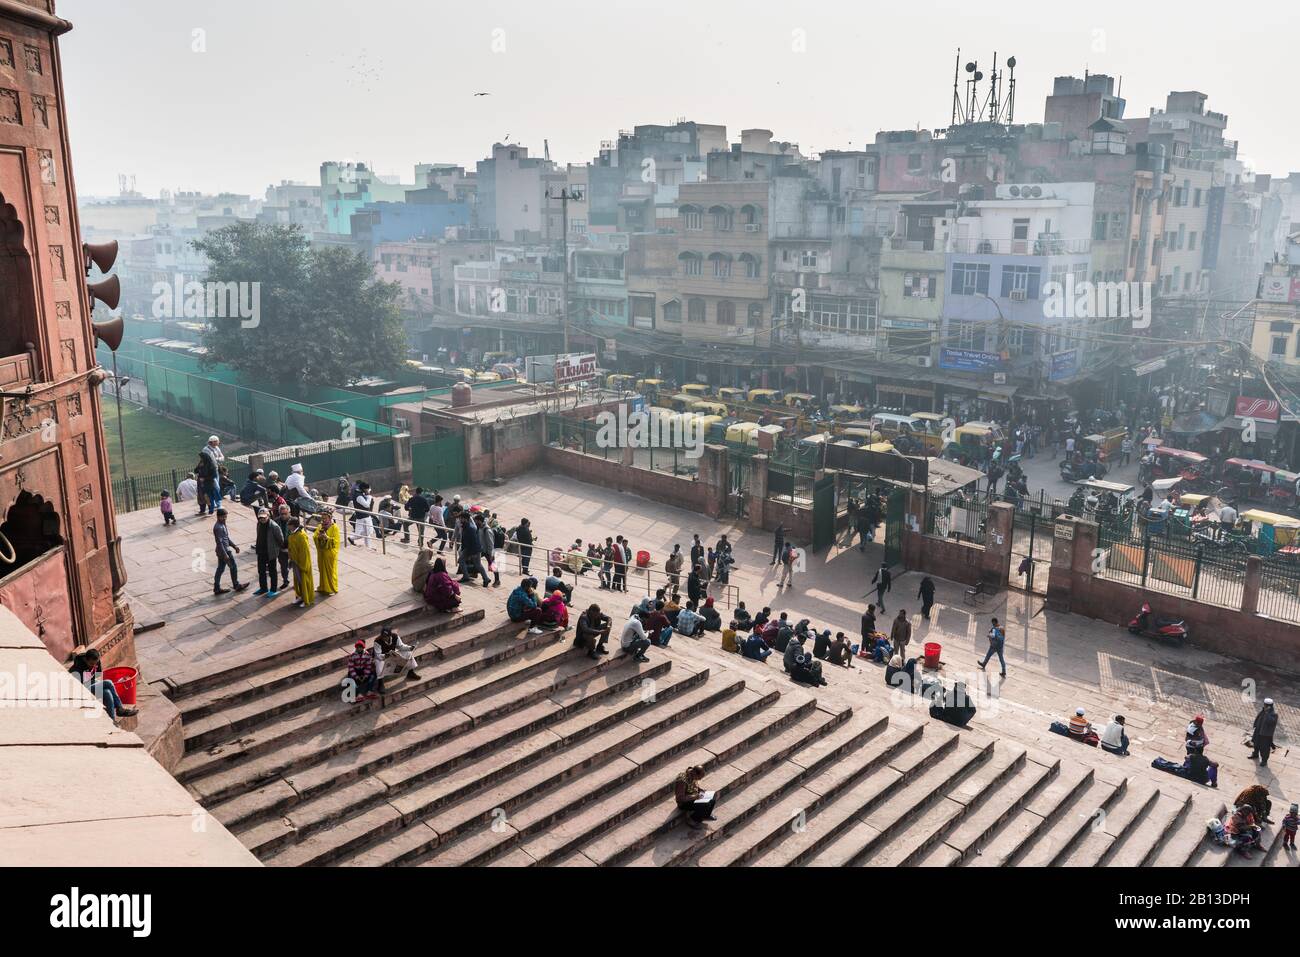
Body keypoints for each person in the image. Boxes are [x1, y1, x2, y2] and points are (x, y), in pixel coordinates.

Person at [70, 649, 138, 721]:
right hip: (81, 689)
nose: (94, 665)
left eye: (95, 663)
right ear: (86, 660)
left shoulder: (96, 661)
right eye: (91, 664)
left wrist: (96, 682)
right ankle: (120, 709)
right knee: (108, 682)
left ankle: (112, 720)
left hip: (91, 684)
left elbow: (97, 676)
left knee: (107, 692)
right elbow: (81, 685)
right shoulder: (77, 668)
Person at [212, 508, 248, 595]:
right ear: (218, 517)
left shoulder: (222, 524)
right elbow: (219, 542)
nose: (225, 518)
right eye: (223, 517)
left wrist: (234, 546)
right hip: (224, 551)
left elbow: (226, 538)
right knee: (233, 567)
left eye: (225, 517)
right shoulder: (218, 527)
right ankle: (236, 585)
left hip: (223, 550)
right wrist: (225, 554)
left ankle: (216, 588)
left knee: (220, 569)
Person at [253, 507, 284, 598]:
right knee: (261, 571)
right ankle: (263, 588)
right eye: (260, 517)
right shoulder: (259, 524)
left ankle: (273, 589)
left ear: (268, 516)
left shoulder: (274, 526)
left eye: (264, 517)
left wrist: (276, 549)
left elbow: (280, 539)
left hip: (271, 552)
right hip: (261, 551)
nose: (262, 519)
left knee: (272, 571)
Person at [674, 765, 716, 829]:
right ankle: (692, 819)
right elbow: (680, 798)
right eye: (699, 778)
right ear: (694, 773)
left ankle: (706, 815)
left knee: (712, 799)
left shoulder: (693, 775)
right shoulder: (682, 781)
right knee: (705, 805)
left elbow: (694, 786)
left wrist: (700, 790)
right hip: (684, 803)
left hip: (694, 796)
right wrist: (694, 797)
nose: (699, 779)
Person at [286, 518, 315, 608]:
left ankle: (307, 600)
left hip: (301, 564)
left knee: (304, 581)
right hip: (295, 562)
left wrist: (303, 565)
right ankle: (300, 596)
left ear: (293, 525)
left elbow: (304, 552)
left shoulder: (301, 536)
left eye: (289, 525)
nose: (288, 526)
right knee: (298, 581)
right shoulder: (292, 534)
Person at [314, 509, 341, 596]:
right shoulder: (319, 526)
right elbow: (314, 536)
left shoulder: (334, 527)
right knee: (321, 570)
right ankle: (322, 587)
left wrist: (327, 538)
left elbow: (336, 541)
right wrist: (318, 537)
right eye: (322, 518)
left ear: (330, 518)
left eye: (325, 518)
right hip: (321, 552)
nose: (324, 520)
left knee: (330, 571)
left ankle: (332, 588)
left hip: (330, 553)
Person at [197, 436, 224, 516]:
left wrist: (218, 459)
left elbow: (222, 457)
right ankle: (218, 504)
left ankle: (215, 504)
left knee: (216, 487)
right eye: (217, 441)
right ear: (212, 442)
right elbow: (211, 460)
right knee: (216, 487)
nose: (218, 442)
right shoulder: (206, 450)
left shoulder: (217, 448)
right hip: (210, 471)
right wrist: (217, 459)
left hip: (215, 469)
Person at [1249, 698, 1278, 765]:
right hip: (1258, 731)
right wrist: (1255, 725)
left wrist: (1267, 713)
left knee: (1264, 748)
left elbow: (1270, 721)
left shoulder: (1274, 714)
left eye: (1266, 705)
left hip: (1265, 735)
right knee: (1256, 744)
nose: (1264, 706)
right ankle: (1255, 754)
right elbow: (1258, 717)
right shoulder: (1263, 711)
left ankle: (1264, 760)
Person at [477, 514, 501, 587]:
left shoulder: (487, 530)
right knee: (475, 560)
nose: (475, 522)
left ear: (479, 521)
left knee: (493, 565)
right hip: (482, 549)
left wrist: (491, 554)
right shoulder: (480, 528)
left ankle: (497, 580)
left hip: (488, 551)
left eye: (476, 521)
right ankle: (474, 573)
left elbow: (490, 543)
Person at [350, 482, 375, 549]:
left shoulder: (360, 493)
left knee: (368, 532)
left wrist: (367, 495)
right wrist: (369, 496)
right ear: (364, 489)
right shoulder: (358, 496)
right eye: (367, 489)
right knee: (364, 533)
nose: (368, 490)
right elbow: (366, 505)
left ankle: (368, 547)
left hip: (365, 516)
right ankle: (351, 538)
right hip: (362, 517)